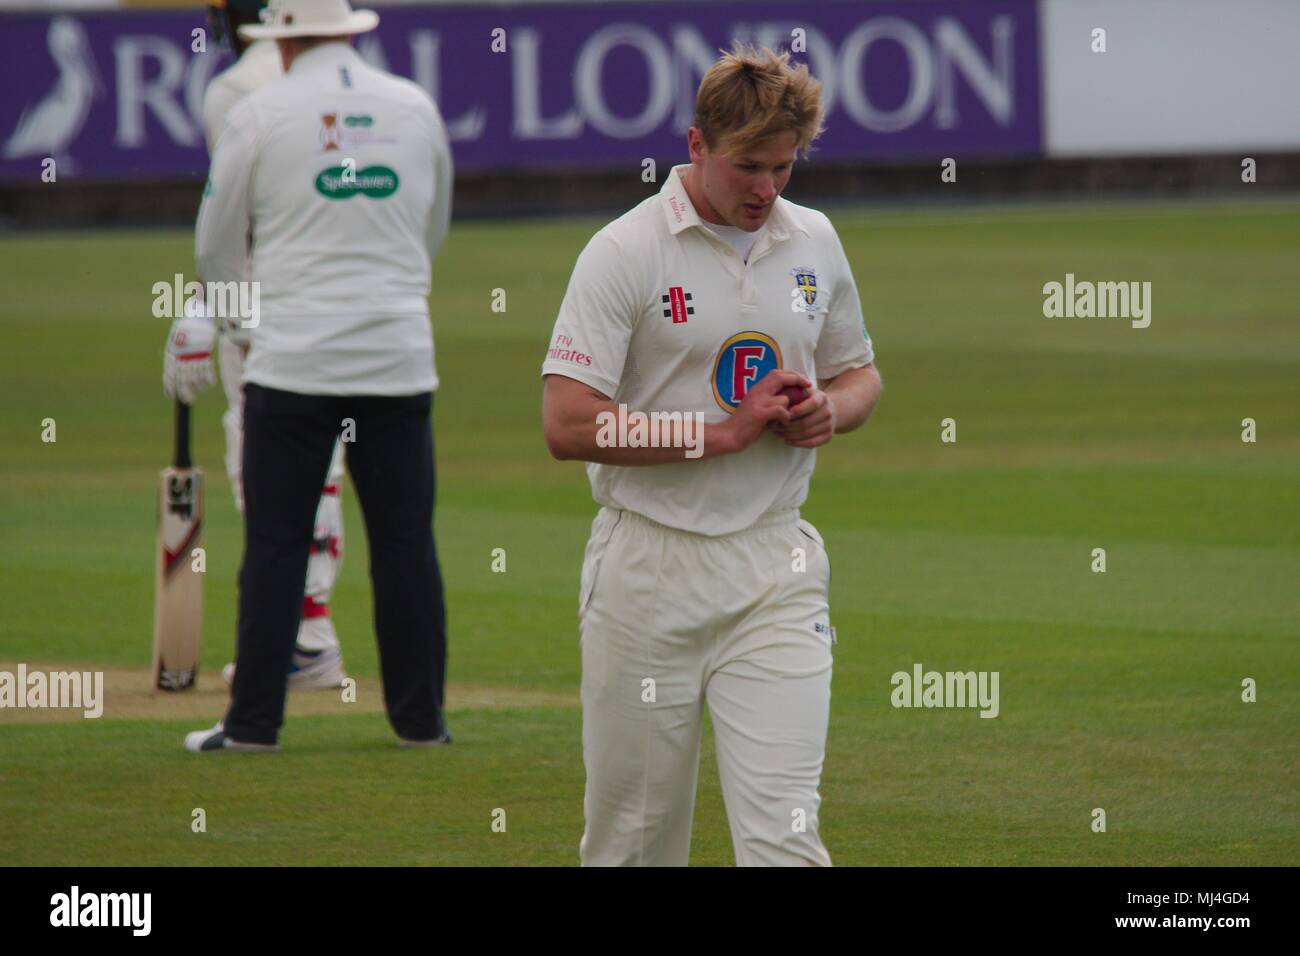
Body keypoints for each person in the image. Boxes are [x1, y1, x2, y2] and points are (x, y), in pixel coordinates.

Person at [541, 44, 883, 864]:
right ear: (696, 147)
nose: (766, 189)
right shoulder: (624, 252)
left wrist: (828, 411)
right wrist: (720, 435)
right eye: (748, 167)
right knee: (634, 845)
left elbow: (859, 372)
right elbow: (567, 423)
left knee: (786, 840)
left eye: (783, 168)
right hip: (648, 573)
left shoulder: (816, 241)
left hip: (776, 567)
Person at [183, 0, 454, 752]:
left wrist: (243, 324)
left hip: (294, 363)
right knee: (405, 542)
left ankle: (253, 728)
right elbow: (432, 228)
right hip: (398, 360)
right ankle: (422, 724)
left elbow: (215, 245)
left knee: (275, 542)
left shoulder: (259, 111)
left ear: (283, 34)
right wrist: (389, 296)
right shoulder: (414, 105)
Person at [163, 0, 349, 691]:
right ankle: (310, 628)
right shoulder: (359, 80)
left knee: (264, 454)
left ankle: (304, 638)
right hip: (350, 300)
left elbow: (238, 224)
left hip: (272, 305)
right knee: (324, 458)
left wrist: (207, 310)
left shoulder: (237, 89)